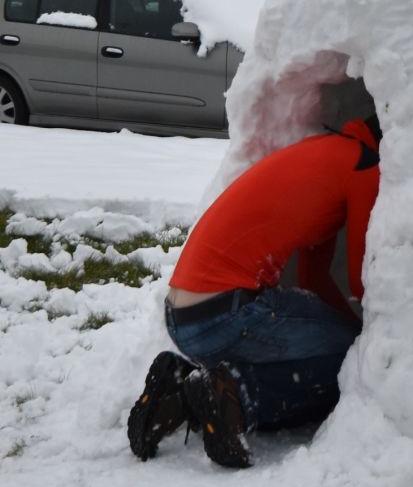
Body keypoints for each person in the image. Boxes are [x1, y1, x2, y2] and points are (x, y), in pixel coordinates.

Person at [127, 114, 381, 468]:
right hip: (228, 313)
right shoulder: (365, 165)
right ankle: (235, 394)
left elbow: (313, 280)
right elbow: (365, 278)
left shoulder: (324, 155)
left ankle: (180, 388)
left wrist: (345, 331)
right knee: (350, 364)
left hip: (182, 319)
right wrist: (371, 339)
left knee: (342, 345)